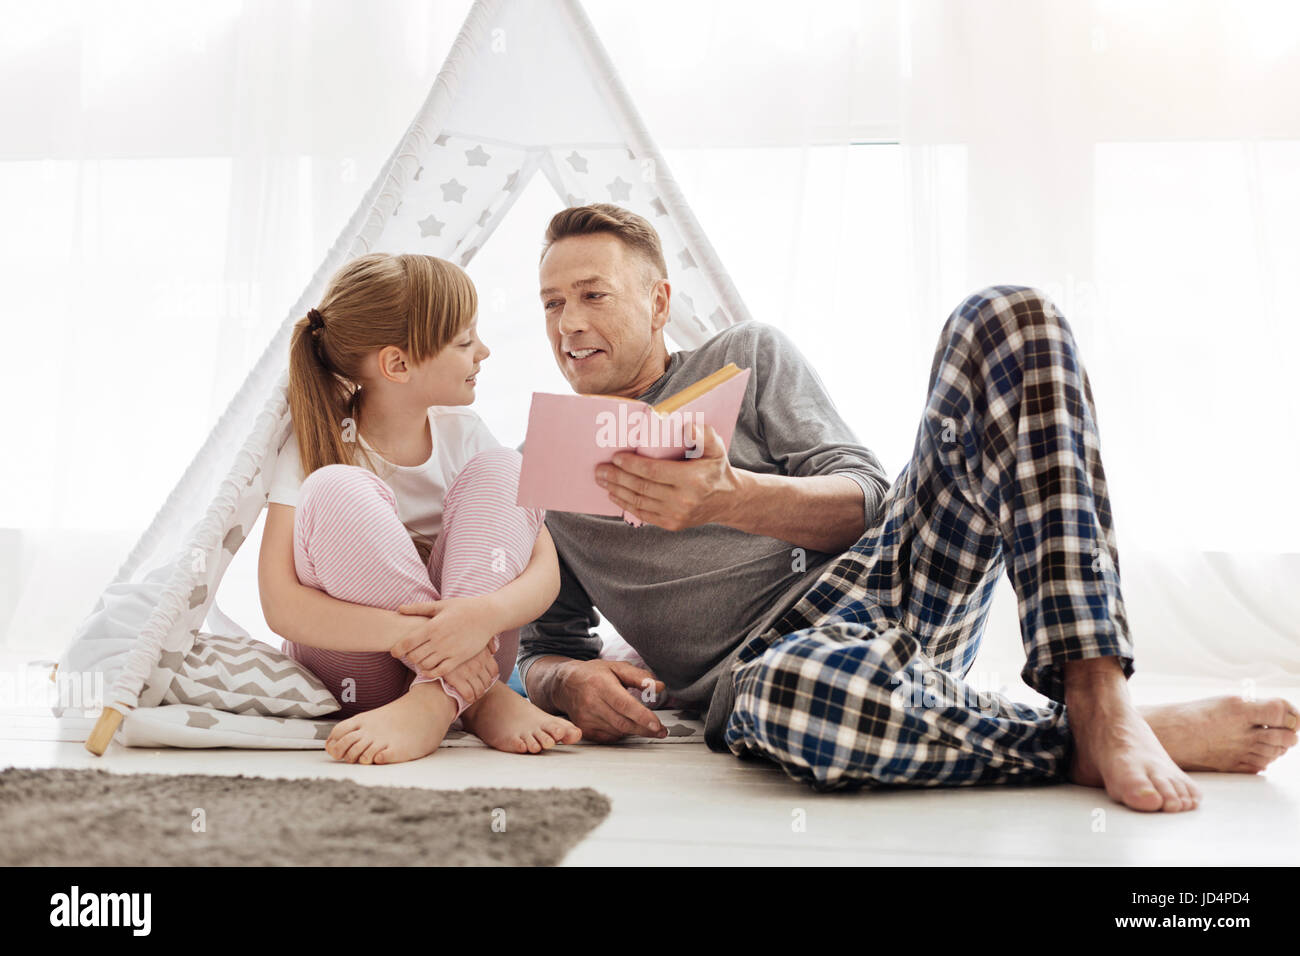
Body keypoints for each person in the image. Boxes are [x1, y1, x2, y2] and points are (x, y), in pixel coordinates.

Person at [518, 203, 1298, 812]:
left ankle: (1098, 693)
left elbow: (869, 499)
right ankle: (1078, 742)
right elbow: (547, 642)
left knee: (1009, 314)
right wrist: (563, 683)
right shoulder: (546, 464)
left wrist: (735, 497)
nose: (570, 324)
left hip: (887, 582)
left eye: (593, 296)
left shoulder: (746, 357)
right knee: (795, 697)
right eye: (552, 304)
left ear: (657, 302)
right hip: (766, 674)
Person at [258, 252, 581, 764]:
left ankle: (438, 701)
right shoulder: (314, 442)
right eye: (464, 342)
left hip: (474, 648)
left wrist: (479, 619)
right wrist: (429, 640)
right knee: (336, 488)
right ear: (398, 364)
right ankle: (469, 693)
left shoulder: (466, 435)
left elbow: (544, 572)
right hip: (362, 665)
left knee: (506, 468)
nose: (485, 352)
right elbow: (280, 604)